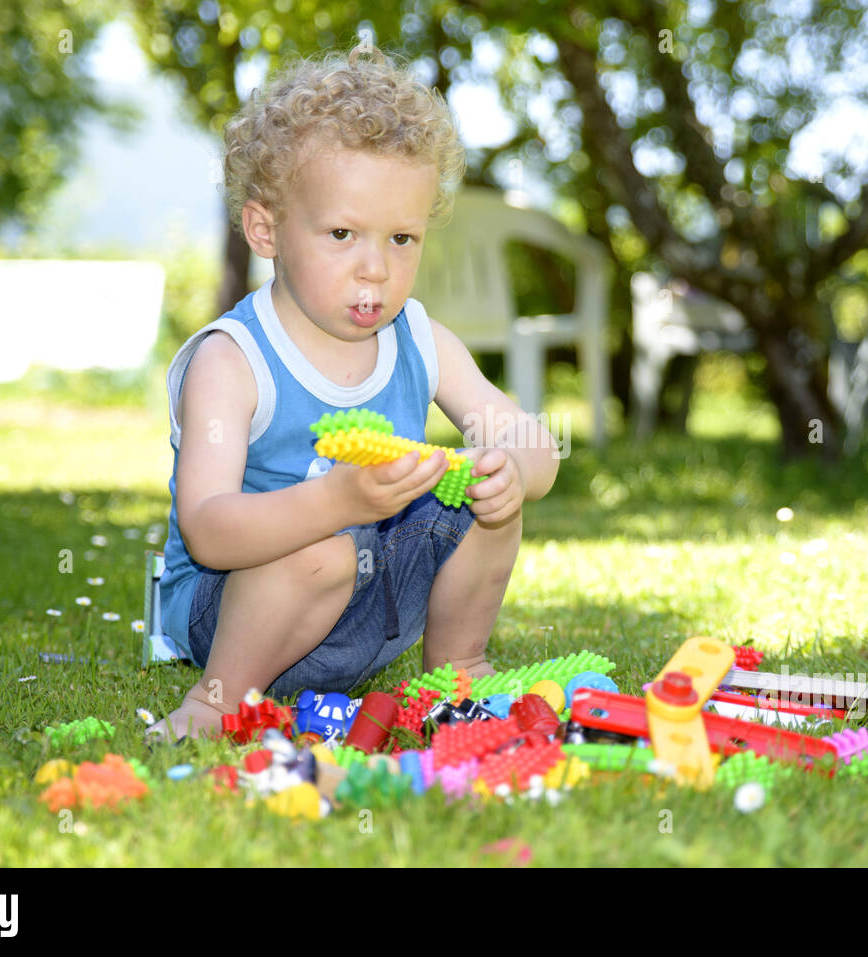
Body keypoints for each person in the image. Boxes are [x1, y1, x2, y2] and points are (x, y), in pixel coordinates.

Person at [147, 43, 562, 742]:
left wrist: (511, 469)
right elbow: (209, 529)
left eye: (402, 238)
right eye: (343, 234)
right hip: (237, 610)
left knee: (487, 507)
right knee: (322, 550)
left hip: (366, 602)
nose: (376, 268)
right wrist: (336, 501)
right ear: (267, 229)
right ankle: (214, 703)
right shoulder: (234, 358)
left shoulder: (420, 340)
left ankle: (457, 671)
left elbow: (533, 444)